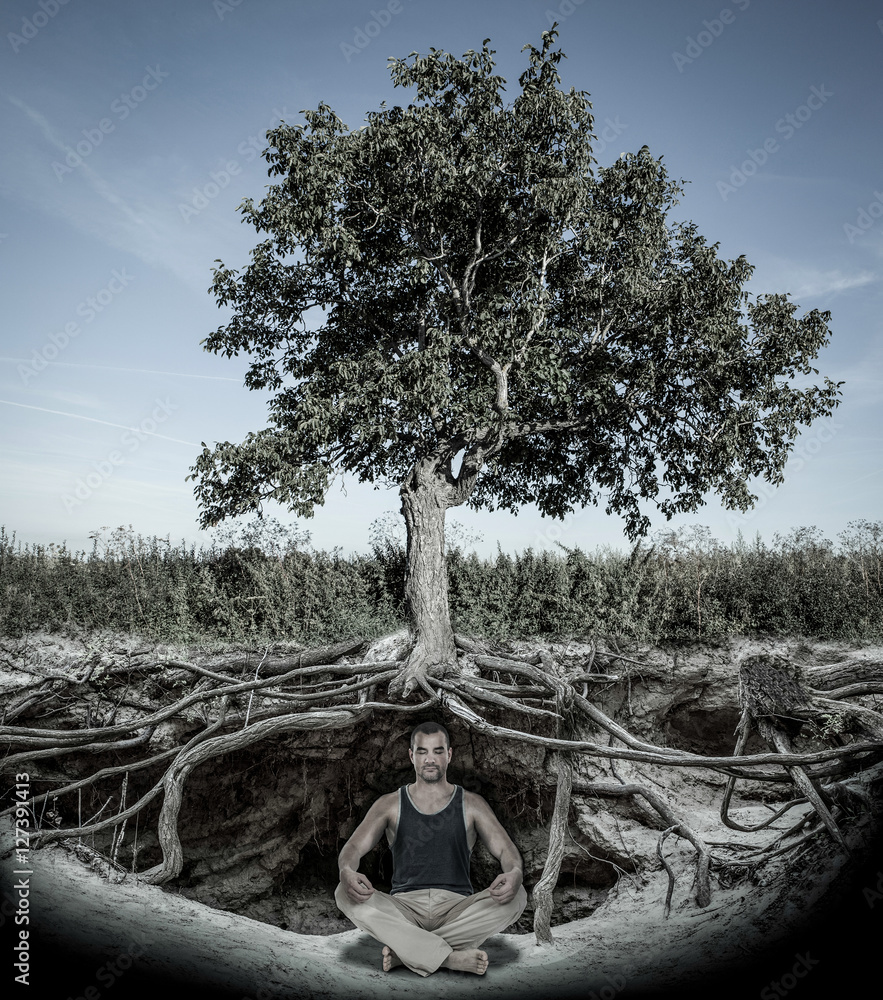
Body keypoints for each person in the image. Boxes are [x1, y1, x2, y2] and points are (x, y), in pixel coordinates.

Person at [334, 721, 528, 977]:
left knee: (517, 895)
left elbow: (506, 850)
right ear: (411, 755)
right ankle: (447, 958)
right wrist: (347, 870)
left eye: (438, 751)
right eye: (422, 751)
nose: (430, 759)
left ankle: (409, 951)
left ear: (449, 754)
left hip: (457, 909)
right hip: (403, 909)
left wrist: (514, 872)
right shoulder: (389, 804)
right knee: (343, 892)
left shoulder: (472, 803)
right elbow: (353, 847)